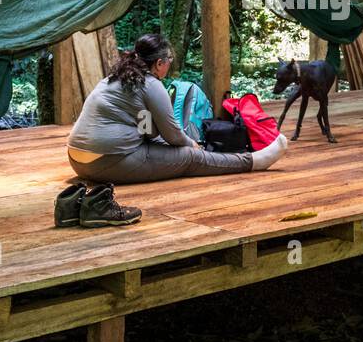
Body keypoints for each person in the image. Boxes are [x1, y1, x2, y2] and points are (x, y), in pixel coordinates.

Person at [64, 34, 289, 225]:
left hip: (78, 160)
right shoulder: (151, 84)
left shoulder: (114, 78)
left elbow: (147, 130)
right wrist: (190, 144)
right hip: (108, 162)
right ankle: (253, 161)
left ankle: (242, 159)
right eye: (169, 59)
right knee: (190, 157)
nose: (170, 63)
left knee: (175, 149)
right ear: (160, 63)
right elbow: (172, 134)